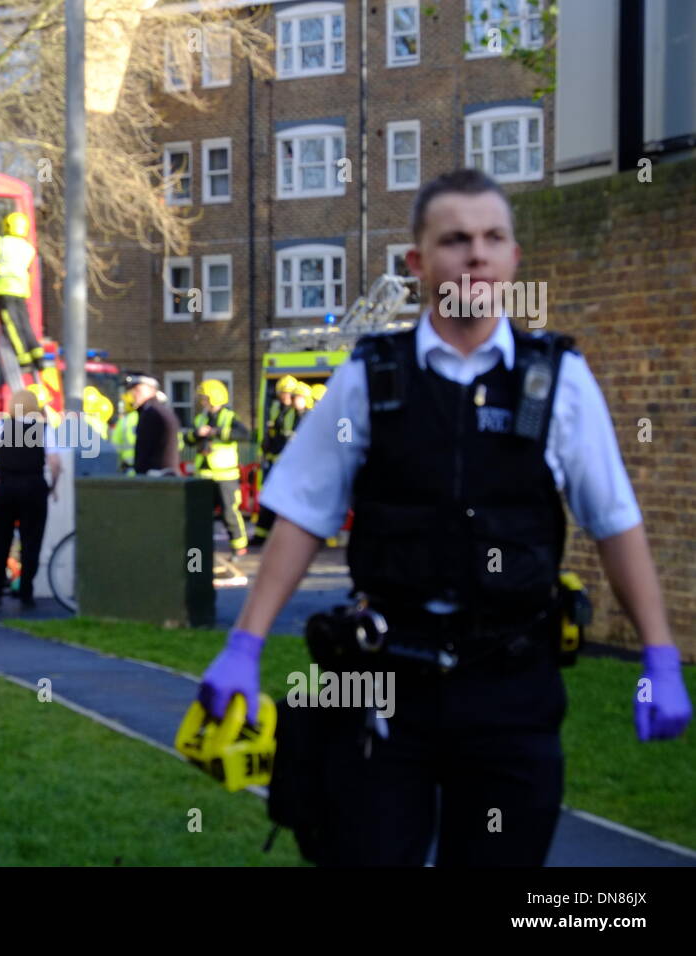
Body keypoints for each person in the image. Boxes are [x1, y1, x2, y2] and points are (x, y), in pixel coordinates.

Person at [197, 168, 692, 868]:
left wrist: (659, 656)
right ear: (418, 263)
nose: (477, 255)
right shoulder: (370, 377)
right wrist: (243, 647)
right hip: (382, 683)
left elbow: (614, 522)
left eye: (494, 238)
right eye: (455, 240)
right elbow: (303, 516)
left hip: (511, 688)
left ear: (515, 259)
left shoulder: (555, 380)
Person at [0, 389, 61, 610]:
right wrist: (54, 485)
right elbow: (55, 462)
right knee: (31, 541)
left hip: (5, 486)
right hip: (33, 486)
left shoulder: (1, 427)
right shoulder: (44, 430)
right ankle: (26, 592)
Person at [187, 379, 250, 557]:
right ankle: (202, 550)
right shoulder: (200, 418)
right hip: (203, 474)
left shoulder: (230, 417)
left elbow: (243, 434)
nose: (202, 402)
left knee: (229, 513)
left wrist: (216, 432)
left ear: (214, 398)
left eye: (205, 398)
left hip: (225, 475)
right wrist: (196, 434)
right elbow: (187, 440)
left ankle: (239, 547)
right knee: (201, 515)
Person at [0, 211, 44, 370]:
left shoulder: (0, 243)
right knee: (25, 324)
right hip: (21, 290)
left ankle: (23, 358)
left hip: (4, 289)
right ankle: (37, 355)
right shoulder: (28, 248)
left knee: (11, 324)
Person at [123, 372, 180, 476]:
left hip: (157, 474)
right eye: (133, 390)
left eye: (138, 390)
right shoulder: (153, 410)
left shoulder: (152, 412)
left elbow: (145, 449)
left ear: (152, 390)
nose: (134, 394)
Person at [110, 390, 139, 474]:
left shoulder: (124, 421)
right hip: (152, 472)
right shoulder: (152, 417)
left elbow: (115, 448)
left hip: (128, 470)